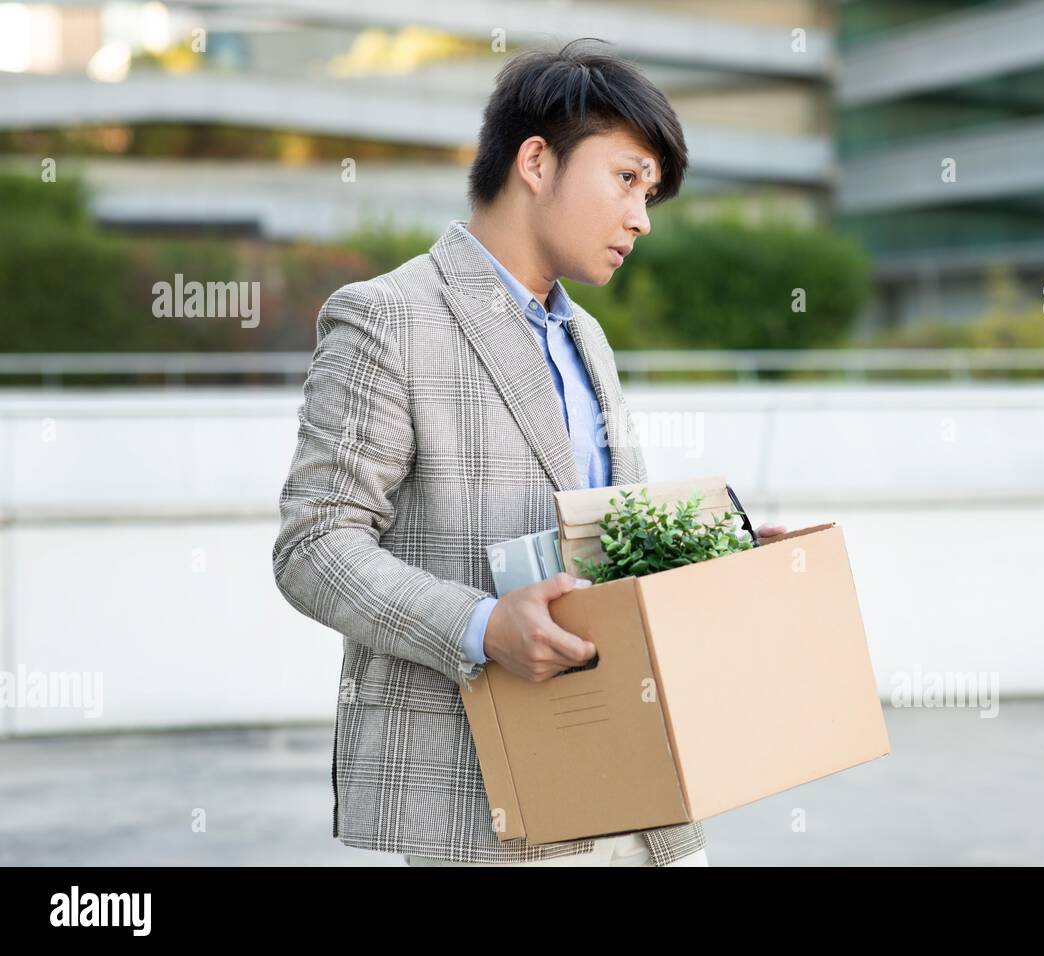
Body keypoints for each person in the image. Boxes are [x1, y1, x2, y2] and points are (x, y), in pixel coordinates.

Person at [271, 38, 786, 868]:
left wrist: (720, 557)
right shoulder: (388, 319)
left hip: (632, 783)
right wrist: (481, 628)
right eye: (626, 178)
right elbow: (313, 545)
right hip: (484, 801)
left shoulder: (588, 339)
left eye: (650, 194)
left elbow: (611, 543)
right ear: (537, 162)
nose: (641, 219)